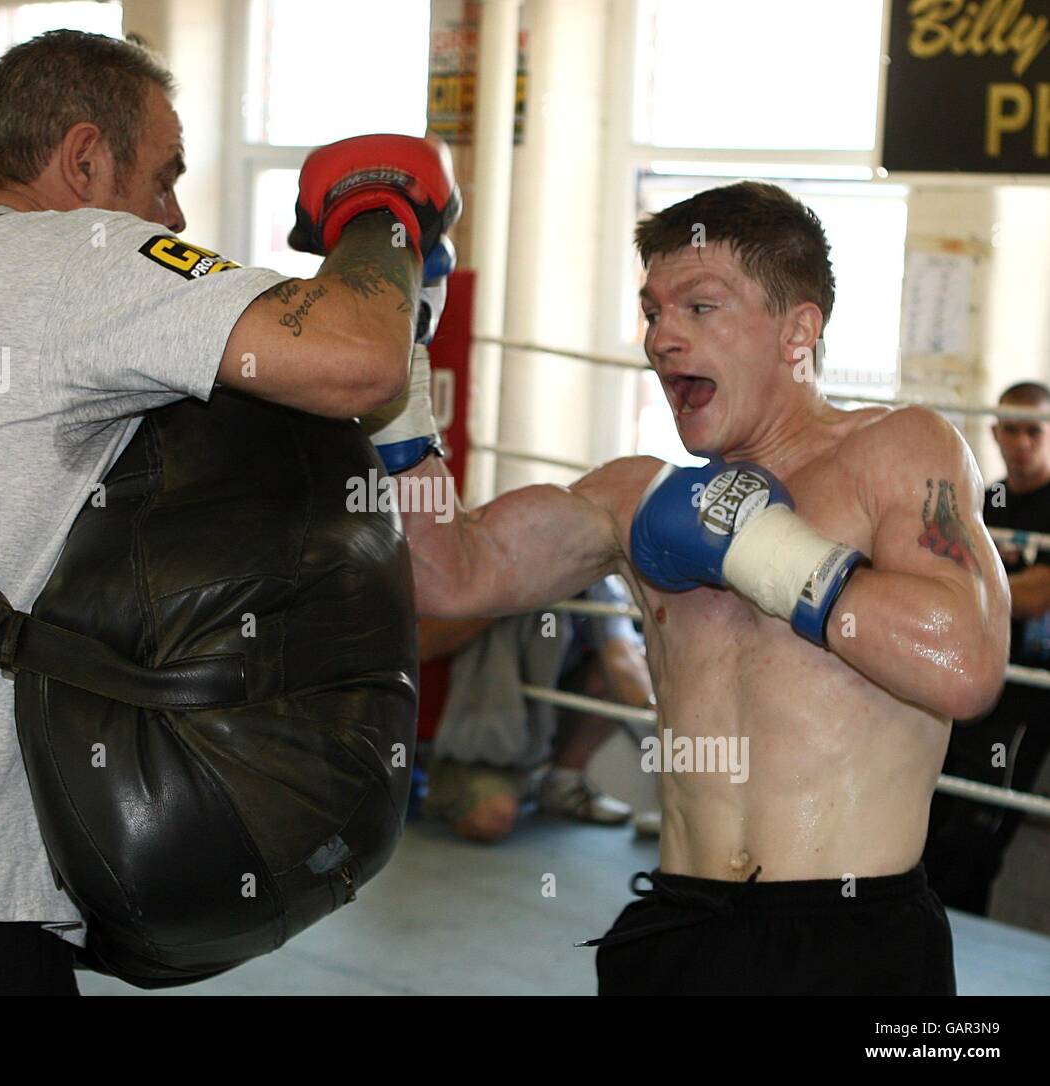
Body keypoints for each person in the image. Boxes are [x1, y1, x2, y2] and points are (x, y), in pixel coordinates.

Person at [0, 30, 451, 996]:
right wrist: (383, 216)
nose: (173, 212)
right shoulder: (70, 257)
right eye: (163, 176)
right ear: (84, 158)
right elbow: (353, 356)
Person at [389, 181, 1009, 995]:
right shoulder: (636, 498)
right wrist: (400, 367)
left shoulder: (898, 450)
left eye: (701, 307)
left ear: (799, 330)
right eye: (652, 311)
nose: (662, 337)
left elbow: (963, 665)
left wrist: (761, 548)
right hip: (679, 931)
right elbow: (446, 571)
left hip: (853, 940)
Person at [922, 381, 1050, 917]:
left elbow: (1037, 595)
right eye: (1010, 429)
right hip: (971, 671)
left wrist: (971, 591)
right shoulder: (988, 499)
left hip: (1028, 690)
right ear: (994, 432)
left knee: (979, 833)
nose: (1021, 442)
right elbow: (943, 569)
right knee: (933, 819)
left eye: (1033, 430)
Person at [422, 575, 651, 842]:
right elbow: (423, 643)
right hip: (472, 735)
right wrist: (509, 595)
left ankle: (560, 781)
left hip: (536, 727)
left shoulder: (596, 580)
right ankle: (443, 781)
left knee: (625, 668)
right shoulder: (489, 566)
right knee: (491, 818)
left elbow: (624, 661)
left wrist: (669, 733)